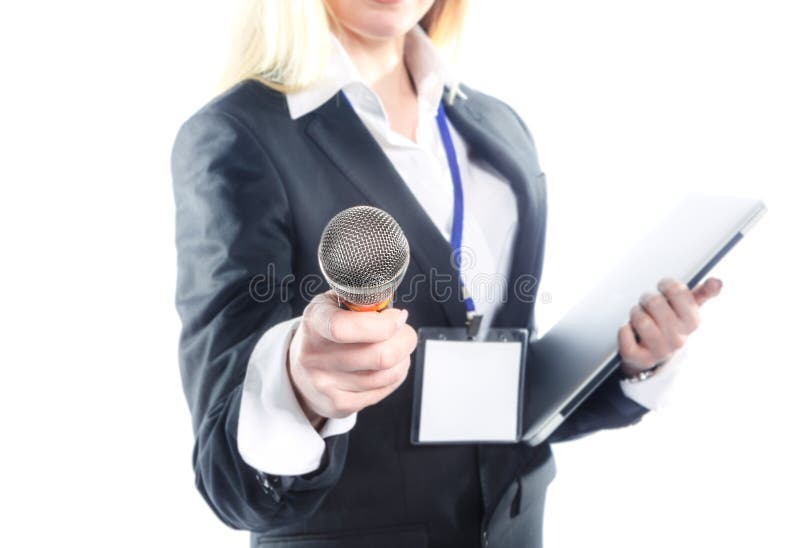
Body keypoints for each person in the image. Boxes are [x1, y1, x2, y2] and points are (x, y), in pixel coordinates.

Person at [171, 1, 722, 546]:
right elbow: (229, 477)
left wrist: (634, 361)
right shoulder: (238, 135)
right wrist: (299, 389)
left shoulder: (498, 125)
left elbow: (503, 390)